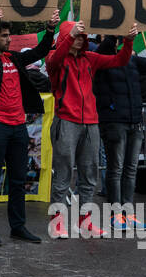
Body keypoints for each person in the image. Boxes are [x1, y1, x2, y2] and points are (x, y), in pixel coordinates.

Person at [0, 0, 57, 245]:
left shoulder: (15, 58)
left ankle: (18, 226)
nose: (9, 40)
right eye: (5, 36)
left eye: (9, 36)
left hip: (19, 126)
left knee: (19, 179)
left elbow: (41, 51)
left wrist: (51, 28)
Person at [46, 18, 136, 238]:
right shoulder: (55, 59)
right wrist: (69, 35)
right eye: (75, 36)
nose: (79, 40)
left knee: (89, 175)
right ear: (67, 37)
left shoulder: (90, 59)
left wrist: (129, 41)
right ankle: (57, 224)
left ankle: (85, 222)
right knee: (63, 174)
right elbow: (55, 58)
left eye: (81, 36)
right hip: (66, 121)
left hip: (91, 123)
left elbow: (120, 60)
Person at [94, 24, 146, 231]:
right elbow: (105, 48)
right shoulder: (99, 57)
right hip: (114, 122)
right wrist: (116, 31)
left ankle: (128, 214)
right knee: (116, 169)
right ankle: (115, 215)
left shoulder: (131, 59)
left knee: (130, 170)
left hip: (134, 121)